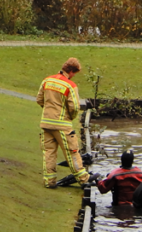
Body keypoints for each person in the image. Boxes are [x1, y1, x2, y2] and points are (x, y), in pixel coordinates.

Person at [37, 57, 91, 188]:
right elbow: (74, 107)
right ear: (72, 71)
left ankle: (49, 182)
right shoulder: (70, 85)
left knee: (49, 153)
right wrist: (70, 117)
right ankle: (84, 179)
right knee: (72, 152)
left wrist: (49, 110)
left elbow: (39, 99)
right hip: (62, 125)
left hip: (46, 123)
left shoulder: (47, 80)